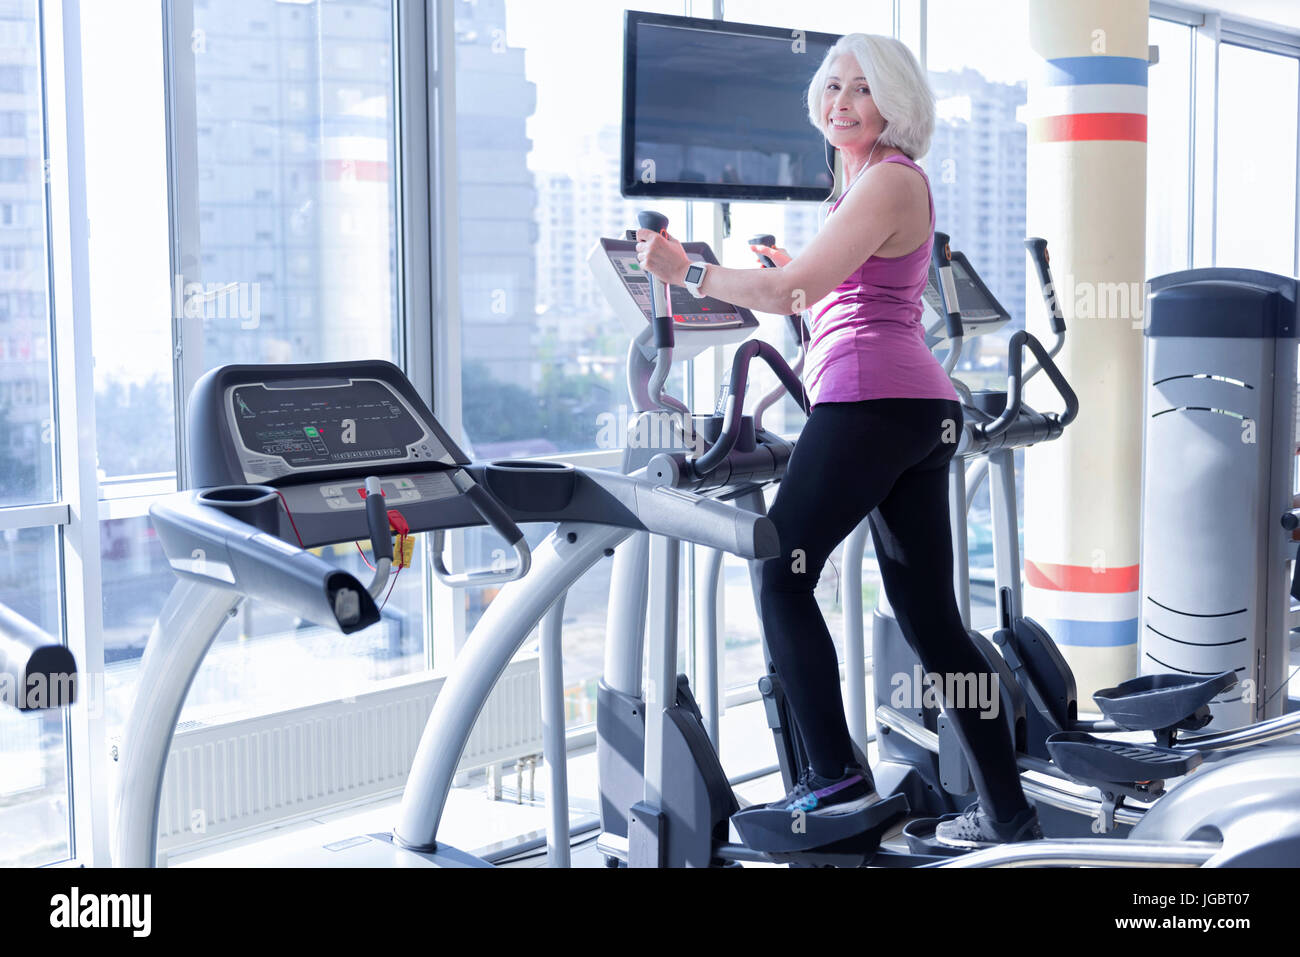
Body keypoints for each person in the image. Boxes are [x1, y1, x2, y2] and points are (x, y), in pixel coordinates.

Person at [635, 33, 1041, 849]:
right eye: (831, 87)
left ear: (896, 103)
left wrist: (689, 273)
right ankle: (1009, 813)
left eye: (861, 88)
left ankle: (834, 777)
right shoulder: (863, 187)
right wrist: (795, 279)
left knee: (780, 572)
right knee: (933, 622)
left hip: (871, 406)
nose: (841, 102)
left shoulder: (889, 178)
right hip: (911, 411)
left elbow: (791, 292)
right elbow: (832, 298)